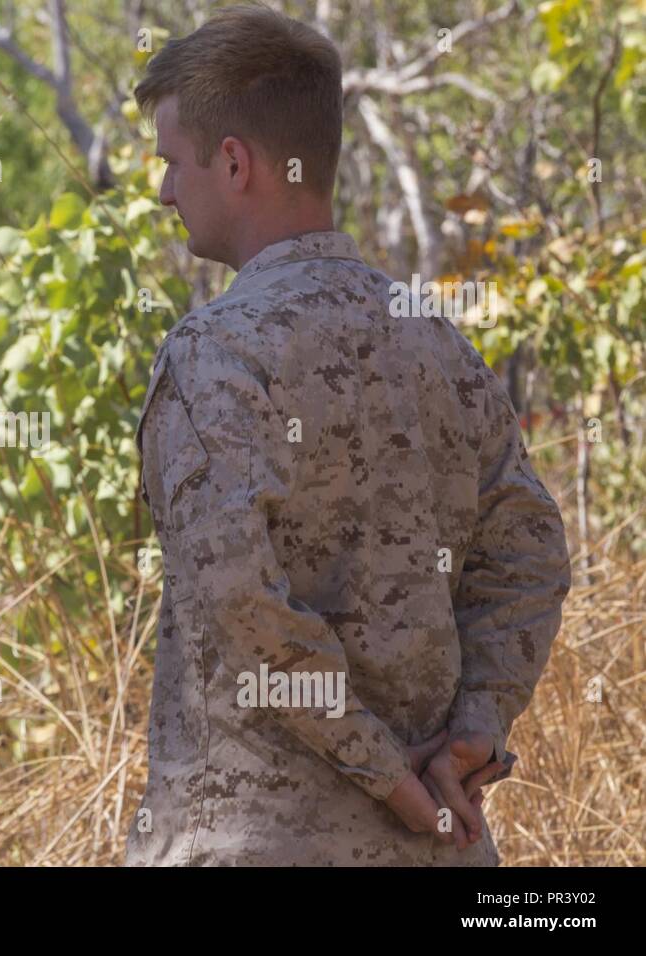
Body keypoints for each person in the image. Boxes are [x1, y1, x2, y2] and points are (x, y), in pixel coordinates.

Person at [125, 5, 571, 866]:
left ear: (233, 162)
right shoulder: (436, 337)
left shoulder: (213, 352)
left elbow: (239, 601)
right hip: (444, 846)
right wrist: (472, 733)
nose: (164, 190)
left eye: (172, 163)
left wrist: (385, 776)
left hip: (259, 842)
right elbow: (533, 551)